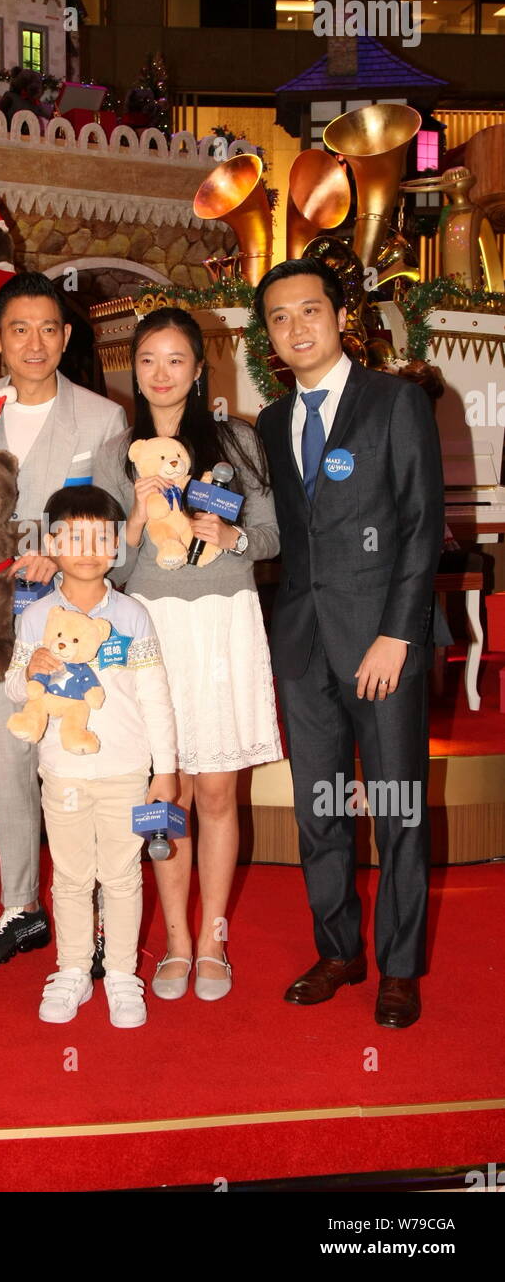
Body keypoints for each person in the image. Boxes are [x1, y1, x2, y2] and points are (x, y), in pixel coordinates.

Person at [254, 256, 444, 1030]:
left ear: (340, 317)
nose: (296, 327)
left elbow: (422, 525)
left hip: (382, 646)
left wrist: (398, 634)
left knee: (397, 806)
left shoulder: (395, 402)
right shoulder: (271, 422)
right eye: (279, 317)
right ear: (267, 334)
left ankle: (399, 968)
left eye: (309, 310)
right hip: (302, 643)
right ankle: (338, 950)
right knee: (318, 809)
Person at [94, 307, 282, 1003]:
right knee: (165, 791)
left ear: (199, 371)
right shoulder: (118, 453)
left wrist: (233, 540)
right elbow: (106, 567)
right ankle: (173, 938)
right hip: (150, 630)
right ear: (134, 371)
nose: (162, 374)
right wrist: (140, 523)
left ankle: (213, 939)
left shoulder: (238, 441)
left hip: (224, 625)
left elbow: (271, 535)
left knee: (216, 791)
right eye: (148, 361)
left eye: (176, 360)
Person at [0, 270, 127, 967]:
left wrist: (63, 550)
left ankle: (102, 905)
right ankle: (20, 906)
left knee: (79, 753)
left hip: (72, 617)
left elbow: (113, 521)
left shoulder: (101, 417)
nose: (34, 342)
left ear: (66, 337)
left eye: (48, 328)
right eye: (18, 328)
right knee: (9, 755)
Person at [4, 485, 177, 1027]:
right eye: (72, 536)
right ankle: (73, 970)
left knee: (124, 875)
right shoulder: (34, 618)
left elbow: (154, 696)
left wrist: (165, 771)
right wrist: (27, 675)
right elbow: (14, 685)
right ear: (51, 542)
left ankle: (123, 974)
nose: (86, 548)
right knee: (73, 878)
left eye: (100, 537)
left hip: (127, 773)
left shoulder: (132, 616)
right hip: (62, 773)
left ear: (116, 547)